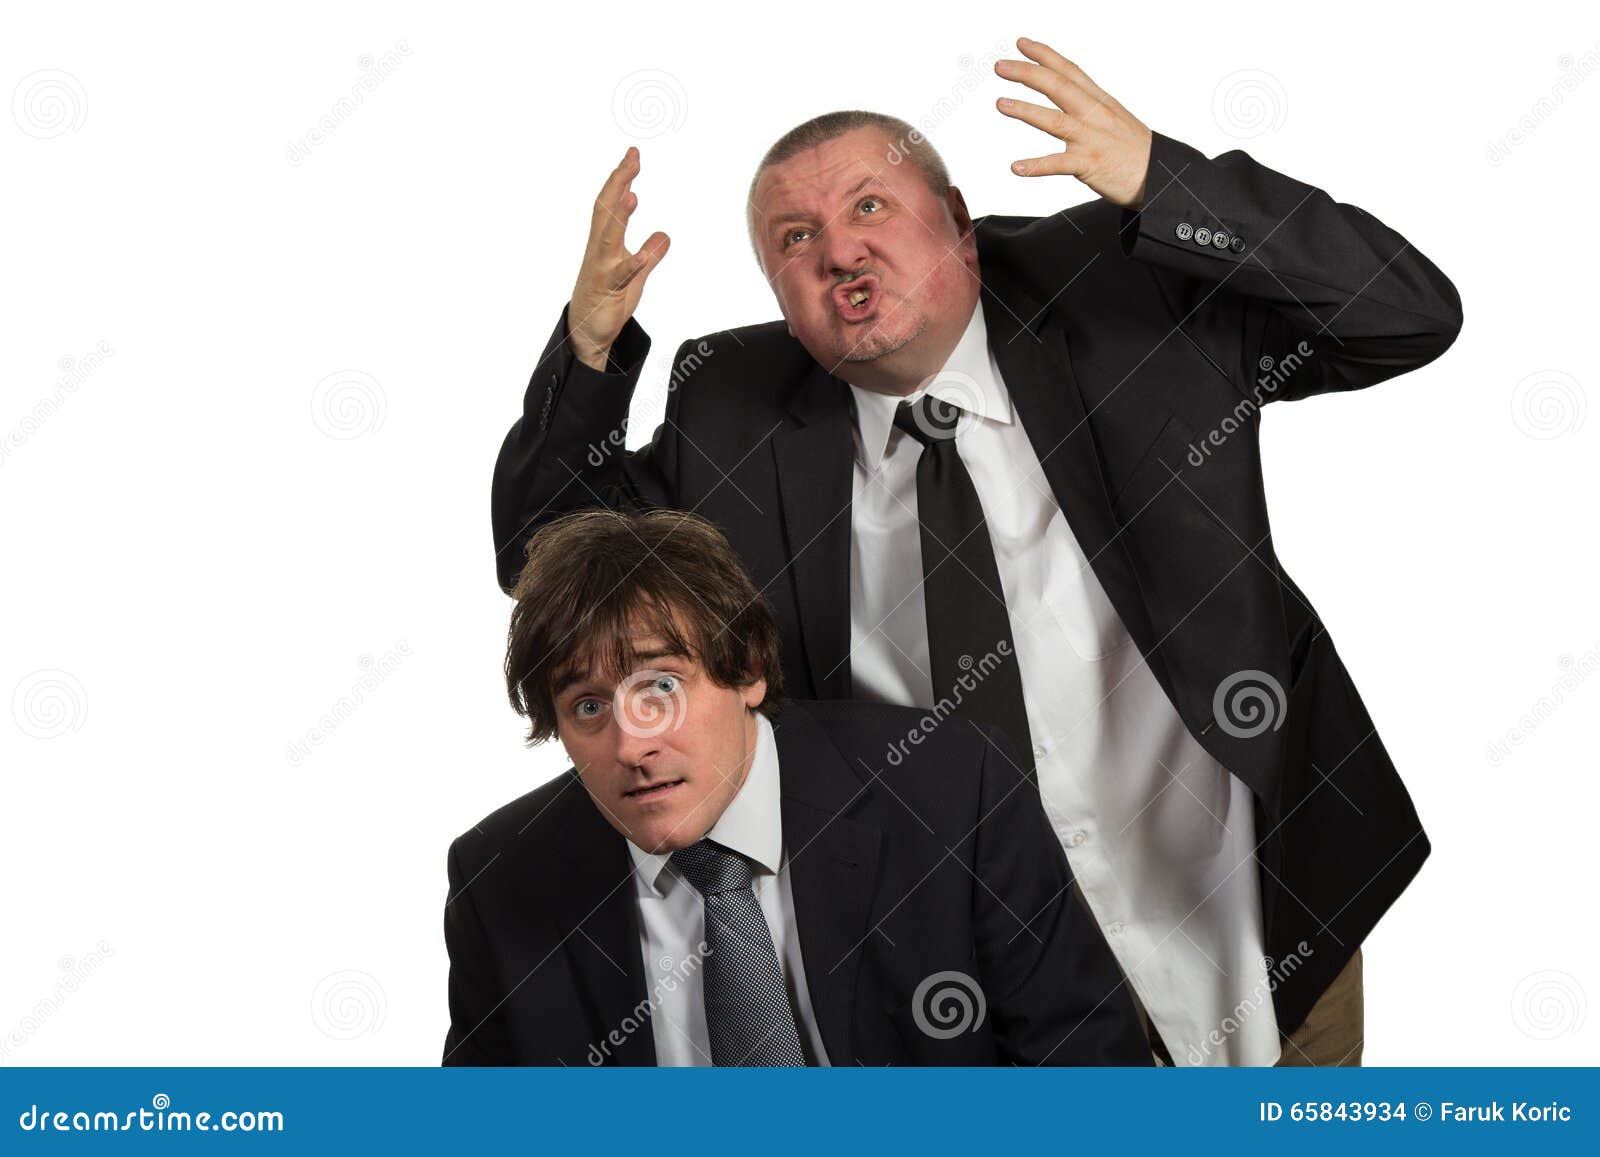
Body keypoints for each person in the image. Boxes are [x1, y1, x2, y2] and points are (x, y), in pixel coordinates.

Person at [489, 39, 1462, 1065]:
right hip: (960, 972)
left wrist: (1160, 178)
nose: (839, 252)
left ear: (957, 221)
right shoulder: (734, 408)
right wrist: (587, 353)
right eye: (795, 237)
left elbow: (1405, 315)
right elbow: (547, 560)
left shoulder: (1116, 290)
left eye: (870, 206)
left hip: (1244, 907)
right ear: (776, 289)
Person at [443, 508, 1152, 1066]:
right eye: (589, 706)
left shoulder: (951, 791)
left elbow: (1091, 1075)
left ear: (749, 669)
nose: (632, 746)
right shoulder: (500, 880)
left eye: (661, 686)